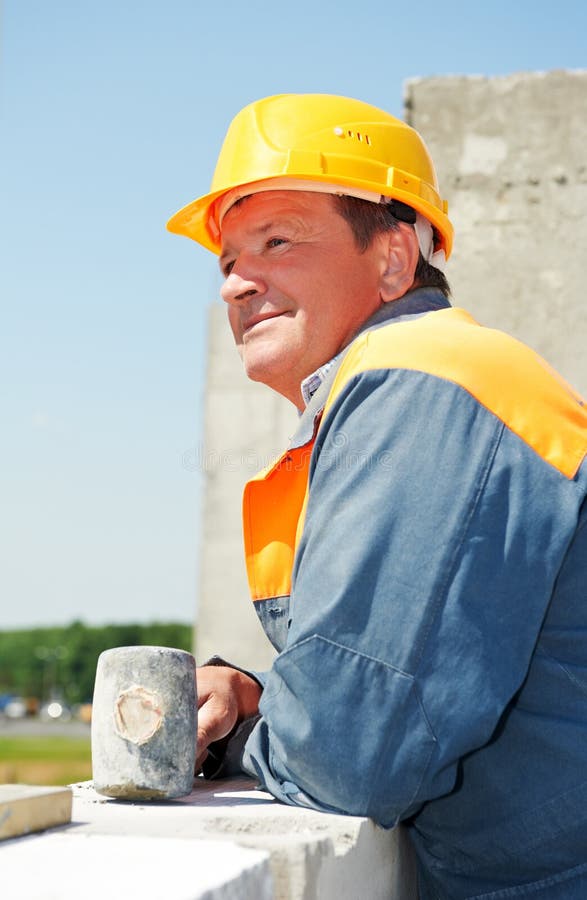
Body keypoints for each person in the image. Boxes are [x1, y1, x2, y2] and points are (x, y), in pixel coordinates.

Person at [167, 94, 587, 898]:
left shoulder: (426, 379)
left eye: (276, 241)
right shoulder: (415, 386)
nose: (235, 284)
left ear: (394, 258)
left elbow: (351, 751)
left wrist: (238, 737)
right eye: (227, 260)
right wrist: (258, 698)